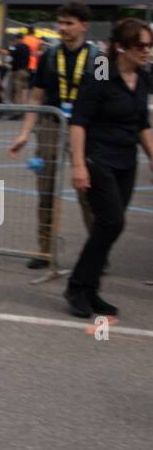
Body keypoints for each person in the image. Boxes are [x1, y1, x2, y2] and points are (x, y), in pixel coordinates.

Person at [65, 18, 153, 318]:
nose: (147, 51)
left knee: (107, 228)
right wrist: (79, 165)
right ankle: (77, 286)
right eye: (141, 45)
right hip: (98, 159)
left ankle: (89, 290)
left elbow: (142, 124)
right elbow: (79, 121)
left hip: (126, 163)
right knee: (112, 222)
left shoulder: (142, 78)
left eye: (150, 45)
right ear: (121, 46)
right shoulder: (102, 71)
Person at [9, 3, 98, 269]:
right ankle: (45, 249)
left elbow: (106, 97)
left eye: (69, 23)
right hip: (52, 123)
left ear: (84, 25)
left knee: (88, 190)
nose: (63, 28)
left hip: (85, 127)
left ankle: (97, 249)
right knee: (45, 188)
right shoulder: (49, 56)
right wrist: (24, 133)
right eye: (60, 23)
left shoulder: (100, 58)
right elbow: (36, 97)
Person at [8, 32, 31, 105]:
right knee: (24, 89)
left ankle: (18, 109)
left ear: (18, 39)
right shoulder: (27, 47)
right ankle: (24, 105)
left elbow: (10, 52)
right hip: (26, 71)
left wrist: (11, 46)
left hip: (18, 72)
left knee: (17, 90)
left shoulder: (18, 46)